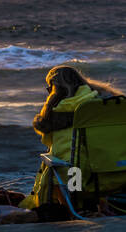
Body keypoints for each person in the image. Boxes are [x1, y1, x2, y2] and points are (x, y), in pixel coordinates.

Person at [23, 66, 122, 213]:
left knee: (57, 168)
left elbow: (45, 133)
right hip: (112, 170)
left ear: (55, 88)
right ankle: (101, 205)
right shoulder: (103, 102)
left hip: (79, 179)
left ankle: (71, 209)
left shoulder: (60, 109)